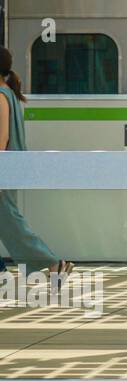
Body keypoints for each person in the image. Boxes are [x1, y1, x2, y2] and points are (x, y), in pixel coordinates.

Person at [0, 47, 72, 277]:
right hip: (10, 165)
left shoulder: (1, 95)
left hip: (4, 166)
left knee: (9, 221)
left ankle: (53, 263)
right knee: (7, 219)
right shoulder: (9, 93)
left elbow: (2, 137)